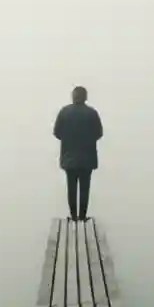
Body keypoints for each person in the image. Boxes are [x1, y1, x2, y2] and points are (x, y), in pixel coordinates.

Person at [53, 85, 103, 222]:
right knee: (85, 188)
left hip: (69, 157)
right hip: (87, 157)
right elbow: (99, 133)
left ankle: (73, 216)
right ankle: (82, 216)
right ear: (85, 97)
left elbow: (56, 132)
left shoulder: (64, 112)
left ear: (73, 96)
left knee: (72, 188)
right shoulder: (92, 113)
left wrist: (68, 139)